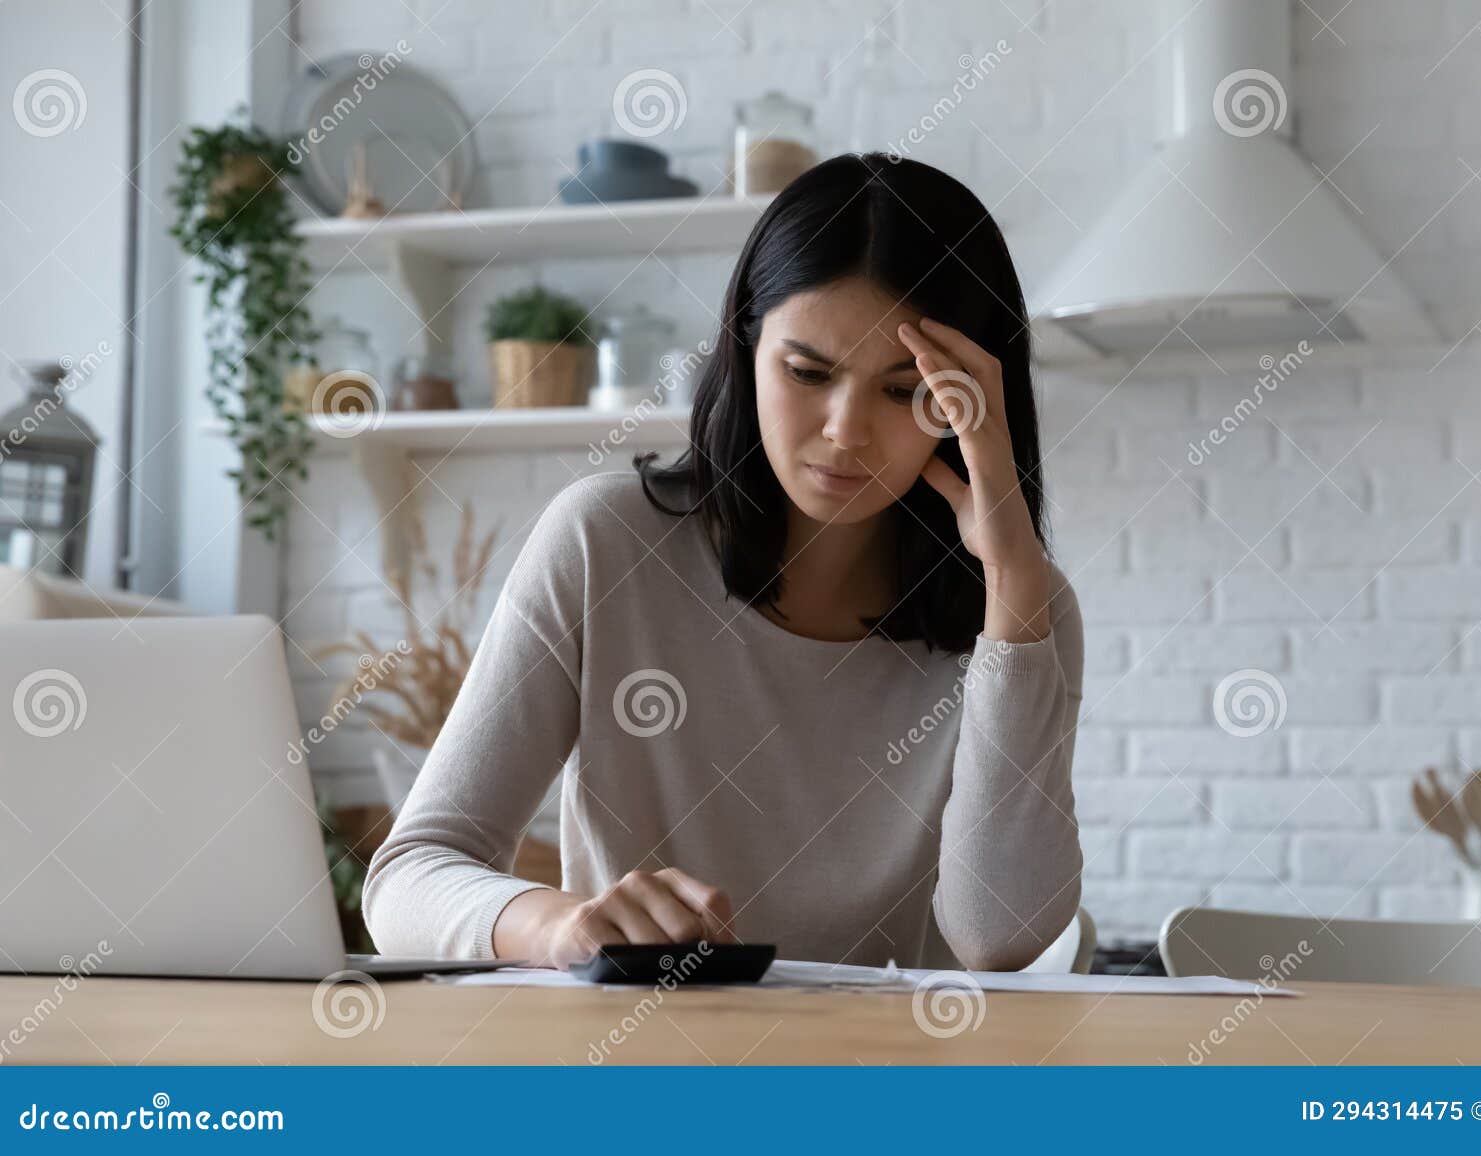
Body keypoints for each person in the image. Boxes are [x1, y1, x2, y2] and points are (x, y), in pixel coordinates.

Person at [362, 152, 1086, 972]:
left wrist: (1016, 581)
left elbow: (1003, 935)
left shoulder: (1022, 609)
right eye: (808, 372)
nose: (846, 430)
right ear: (743, 350)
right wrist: (561, 928)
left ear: (968, 408)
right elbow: (406, 878)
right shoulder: (606, 543)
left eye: (902, 392)